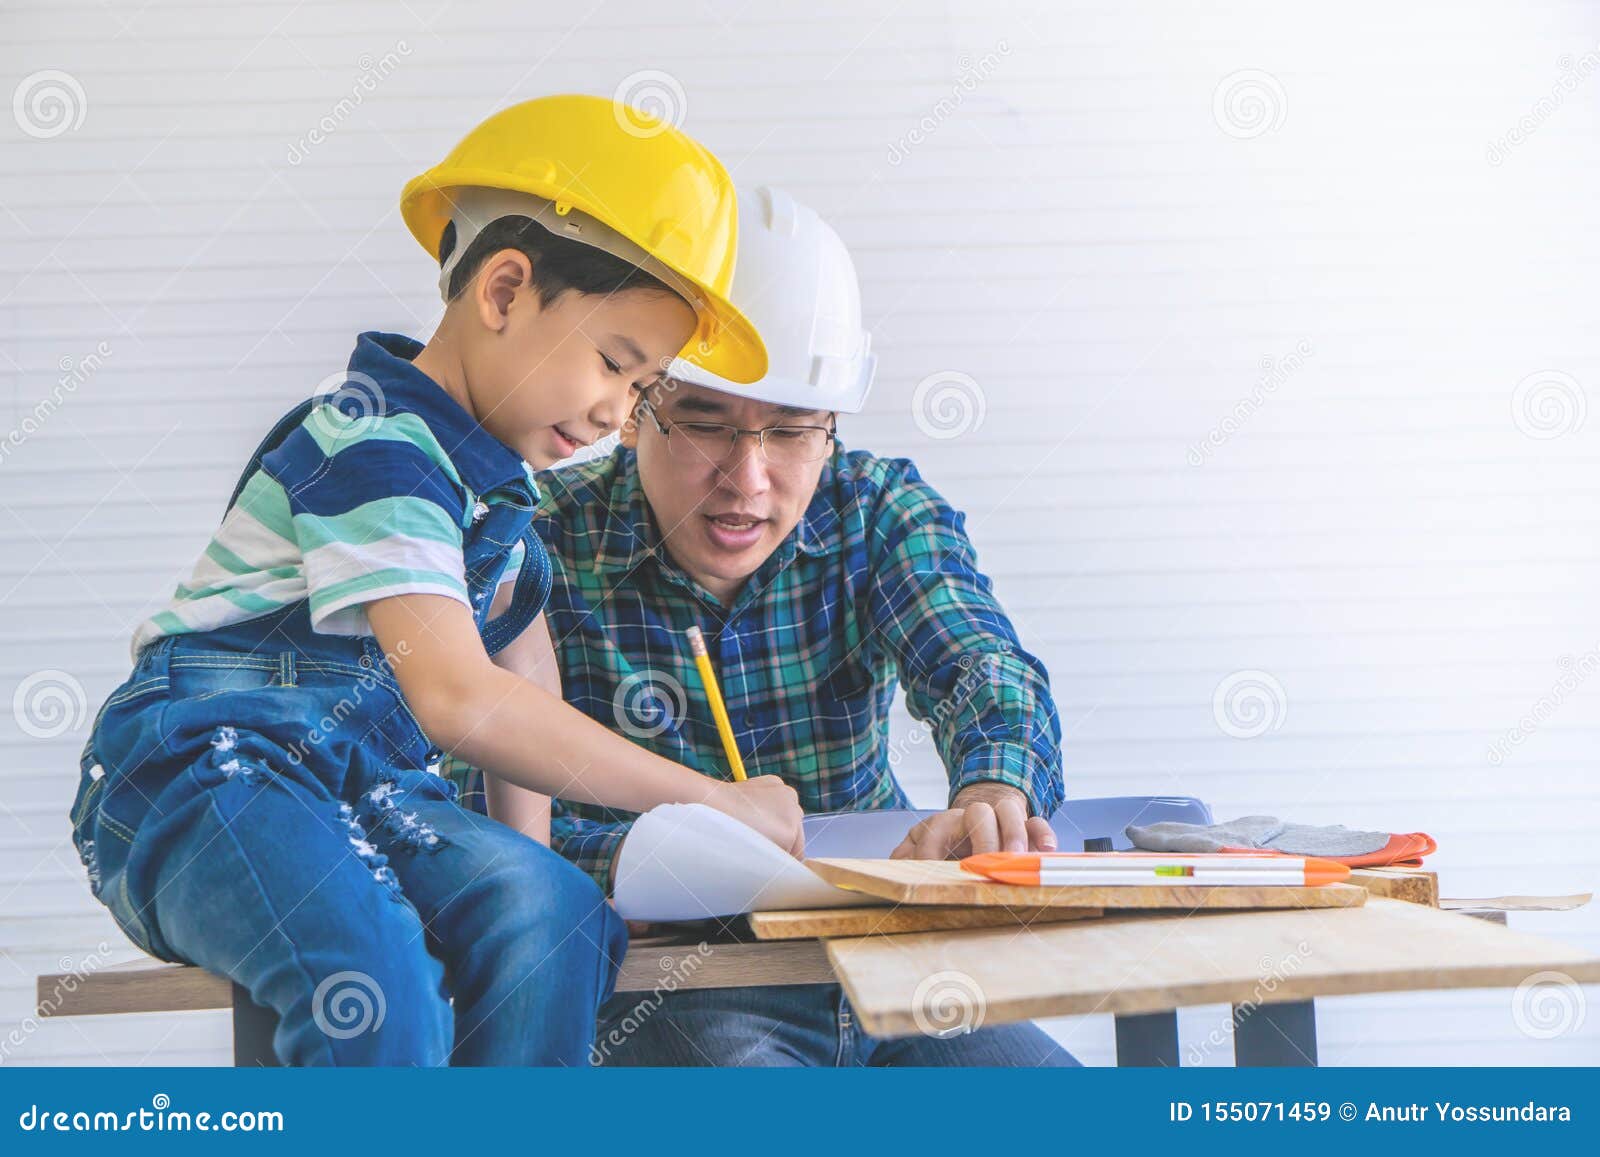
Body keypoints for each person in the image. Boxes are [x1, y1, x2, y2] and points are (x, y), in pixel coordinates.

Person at [67, 96, 803, 1066]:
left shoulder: (493, 504)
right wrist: (706, 797)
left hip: (360, 787)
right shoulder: (376, 444)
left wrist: (529, 874)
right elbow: (461, 696)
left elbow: (524, 674)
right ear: (503, 291)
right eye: (614, 366)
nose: (619, 414)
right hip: (209, 771)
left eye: (641, 391)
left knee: (562, 919)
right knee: (371, 986)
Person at [469, 186, 1076, 1066]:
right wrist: (673, 851)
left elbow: (983, 667)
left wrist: (994, 792)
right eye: (705, 423)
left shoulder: (876, 510)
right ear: (637, 405)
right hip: (678, 990)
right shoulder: (538, 546)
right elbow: (474, 826)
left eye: (791, 432)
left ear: (832, 429)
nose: (748, 480)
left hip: (895, 969)